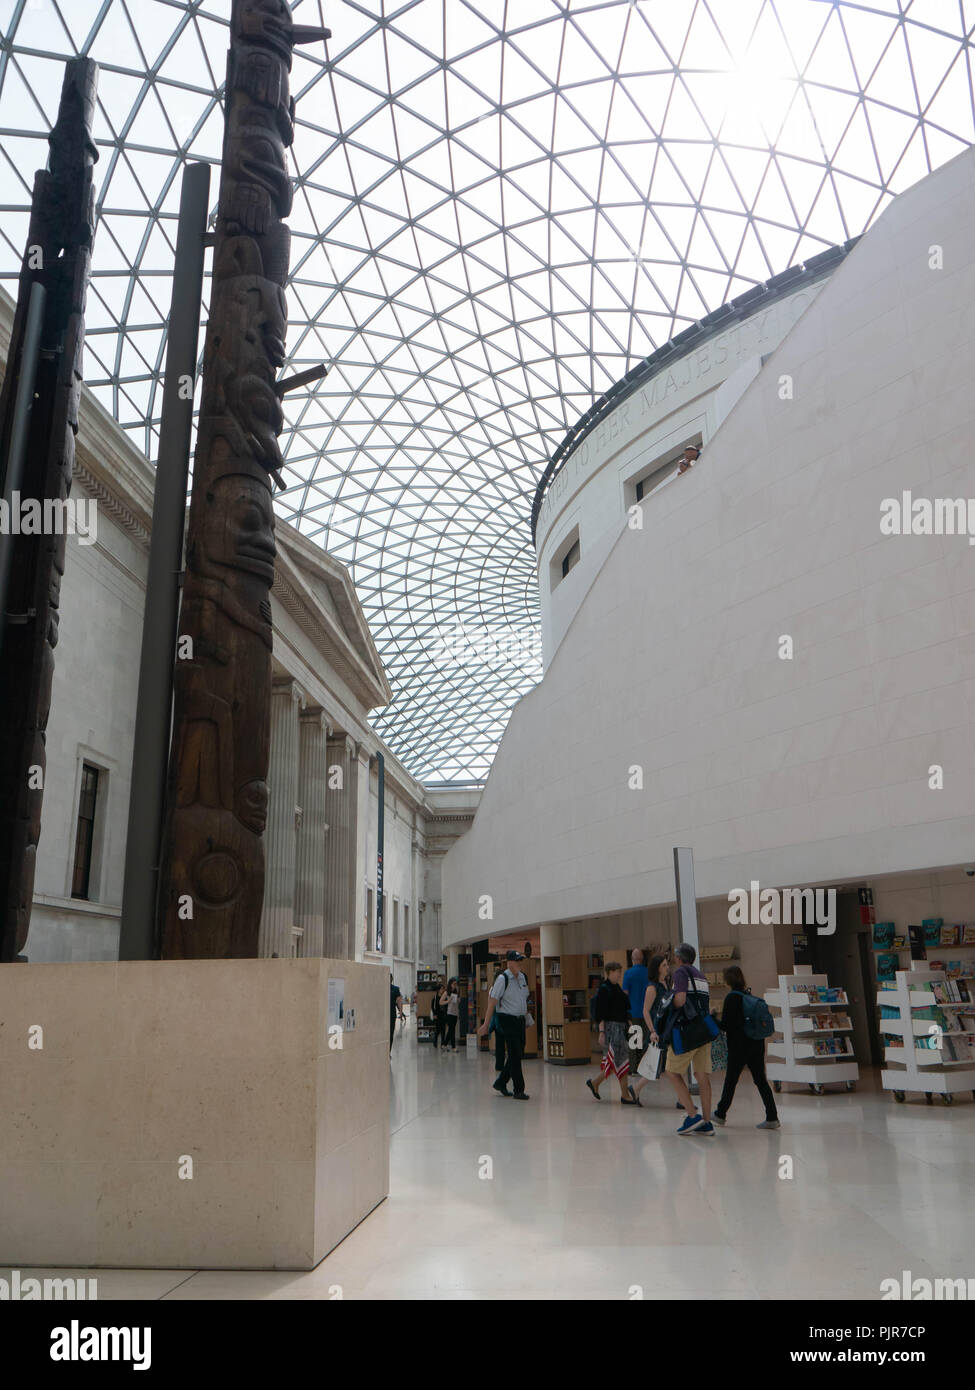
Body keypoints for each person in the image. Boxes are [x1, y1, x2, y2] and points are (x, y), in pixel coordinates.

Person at [714, 966, 780, 1129]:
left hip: (738, 1047)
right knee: (761, 1081)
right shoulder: (747, 995)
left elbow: (725, 1026)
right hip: (756, 1044)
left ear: (727, 980)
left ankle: (720, 1114)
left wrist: (713, 1018)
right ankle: (772, 1117)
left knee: (731, 1081)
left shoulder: (731, 998)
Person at [660, 943, 715, 1135]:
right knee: (702, 1076)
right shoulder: (701, 976)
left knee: (672, 1071)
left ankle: (692, 1115)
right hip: (703, 1031)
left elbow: (681, 1000)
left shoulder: (681, 973)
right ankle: (707, 1122)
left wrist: (668, 1001)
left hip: (687, 1031)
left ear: (678, 958)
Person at [478, 950, 531, 1099]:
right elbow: (492, 1002)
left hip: (519, 1019)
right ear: (509, 963)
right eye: (516, 960)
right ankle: (518, 1090)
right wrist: (486, 1024)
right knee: (515, 1053)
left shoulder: (522, 977)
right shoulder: (502, 979)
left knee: (518, 1053)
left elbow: (523, 999)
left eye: (520, 960)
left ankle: (501, 1082)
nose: (519, 963)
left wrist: (527, 1018)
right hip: (506, 1019)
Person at [586, 962, 639, 1104]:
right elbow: (601, 1013)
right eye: (617, 972)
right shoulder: (604, 989)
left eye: (620, 972)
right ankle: (623, 1094)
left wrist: (629, 1023)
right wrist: (602, 1032)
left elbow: (623, 1008)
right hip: (612, 1028)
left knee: (617, 1060)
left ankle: (596, 1083)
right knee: (619, 1060)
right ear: (609, 972)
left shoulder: (616, 988)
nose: (620, 974)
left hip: (619, 1027)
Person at [622, 948, 651, 1102]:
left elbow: (625, 993)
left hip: (633, 1013)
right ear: (643, 959)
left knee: (634, 1041)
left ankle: (633, 1069)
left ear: (632, 959)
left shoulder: (628, 974)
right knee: (647, 1041)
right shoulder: (648, 973)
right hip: (647, 1012)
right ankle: (646, 1069)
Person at [444, 978, 460, 1051]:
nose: (455, 985)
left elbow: (458, 1002)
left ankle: (444, 1044)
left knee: (451, 1029)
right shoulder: (446, 992)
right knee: (452, 1030)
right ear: (450, 984)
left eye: (456, 984)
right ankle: (453, 1047)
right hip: (449, 1013)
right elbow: (440, 1002)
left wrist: (458, 1000)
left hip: (455, 1013)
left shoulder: (456, 992)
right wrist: (448, 1001)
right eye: (454, 984)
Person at [389, 980, 403, 1055]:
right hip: (383, 1015)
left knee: (391, 1033)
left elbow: (399, 1001)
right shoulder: (381, 987)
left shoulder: (395, 989)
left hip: (392, 1014)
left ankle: (388, 1051)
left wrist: (401, 1012)